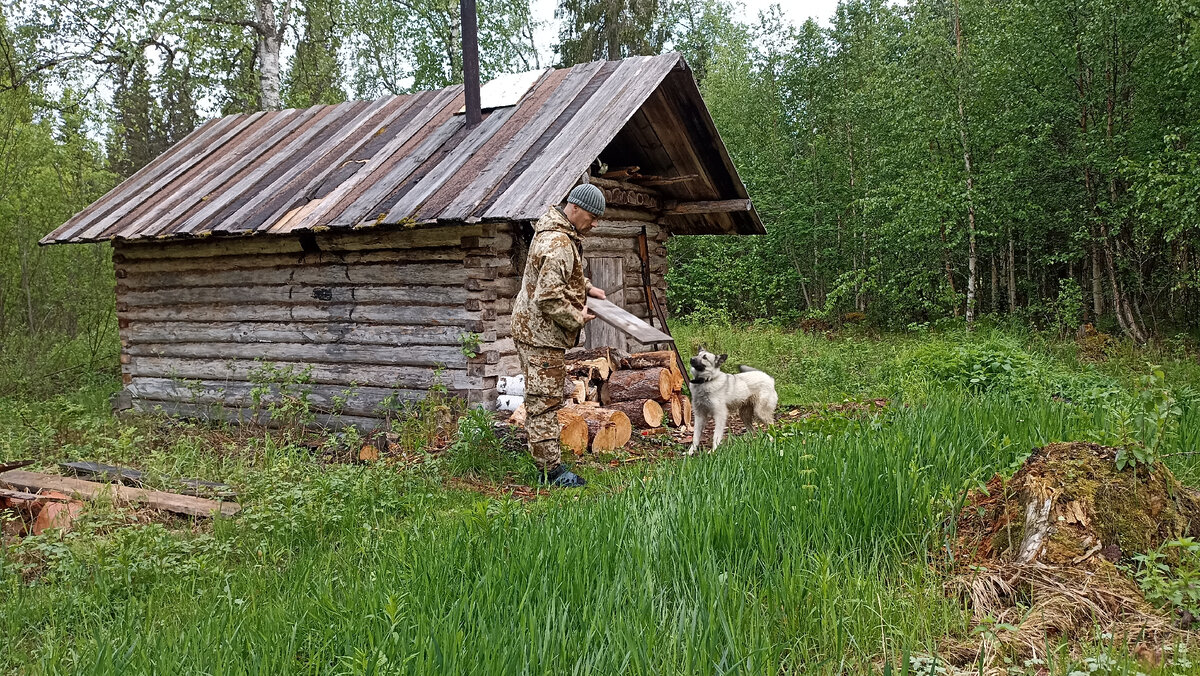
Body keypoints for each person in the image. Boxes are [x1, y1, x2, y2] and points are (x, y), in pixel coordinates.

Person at [511, 183, 608, 487]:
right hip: (541, 337)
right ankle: (550, 472)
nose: (594, 224)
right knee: (544, 403)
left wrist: (588, 287)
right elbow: (549, 298)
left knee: (542, 400)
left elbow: (563, 275)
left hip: (534, 331)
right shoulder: (558, 244)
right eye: (592, 217)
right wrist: (577, 317)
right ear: (575, 207)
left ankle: (543, 459)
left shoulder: (559, 234)